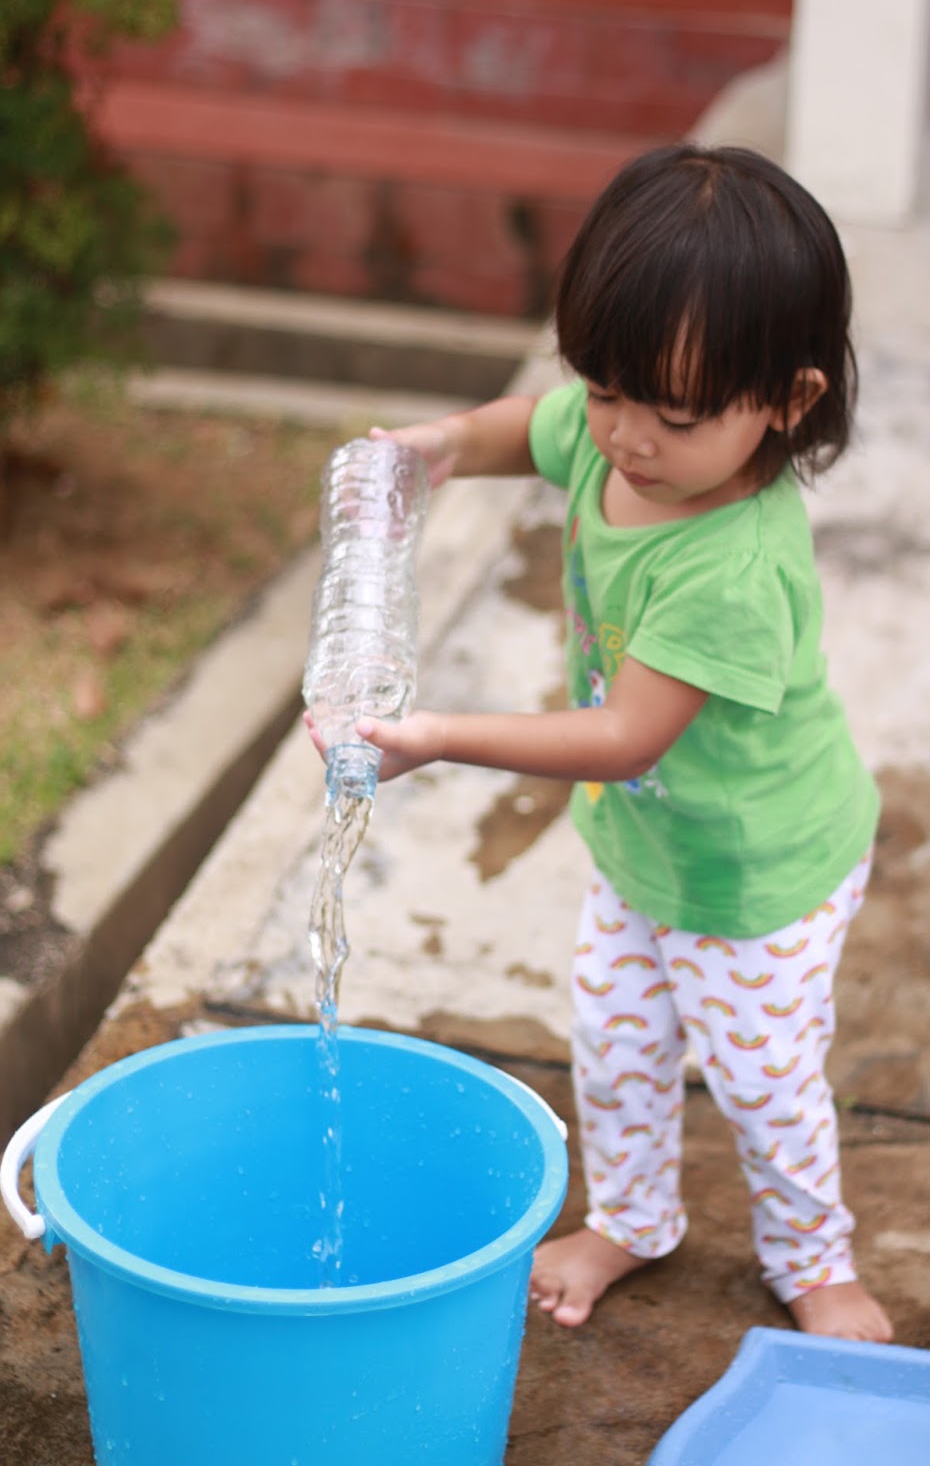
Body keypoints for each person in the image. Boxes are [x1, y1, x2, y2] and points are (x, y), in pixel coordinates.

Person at [307, 144, 893, 1342]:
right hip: (647, 850)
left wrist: (436, 737)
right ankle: (631, 1218)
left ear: (788, 401)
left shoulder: (730, 563)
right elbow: (531, 428)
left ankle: (816, 1260)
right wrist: (437, 447)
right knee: (616, 1044)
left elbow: (627, 733)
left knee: (762, 1082)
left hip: (756, 873)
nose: (621, 435)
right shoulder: (620, 429)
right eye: (604, 387)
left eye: (670, 414)